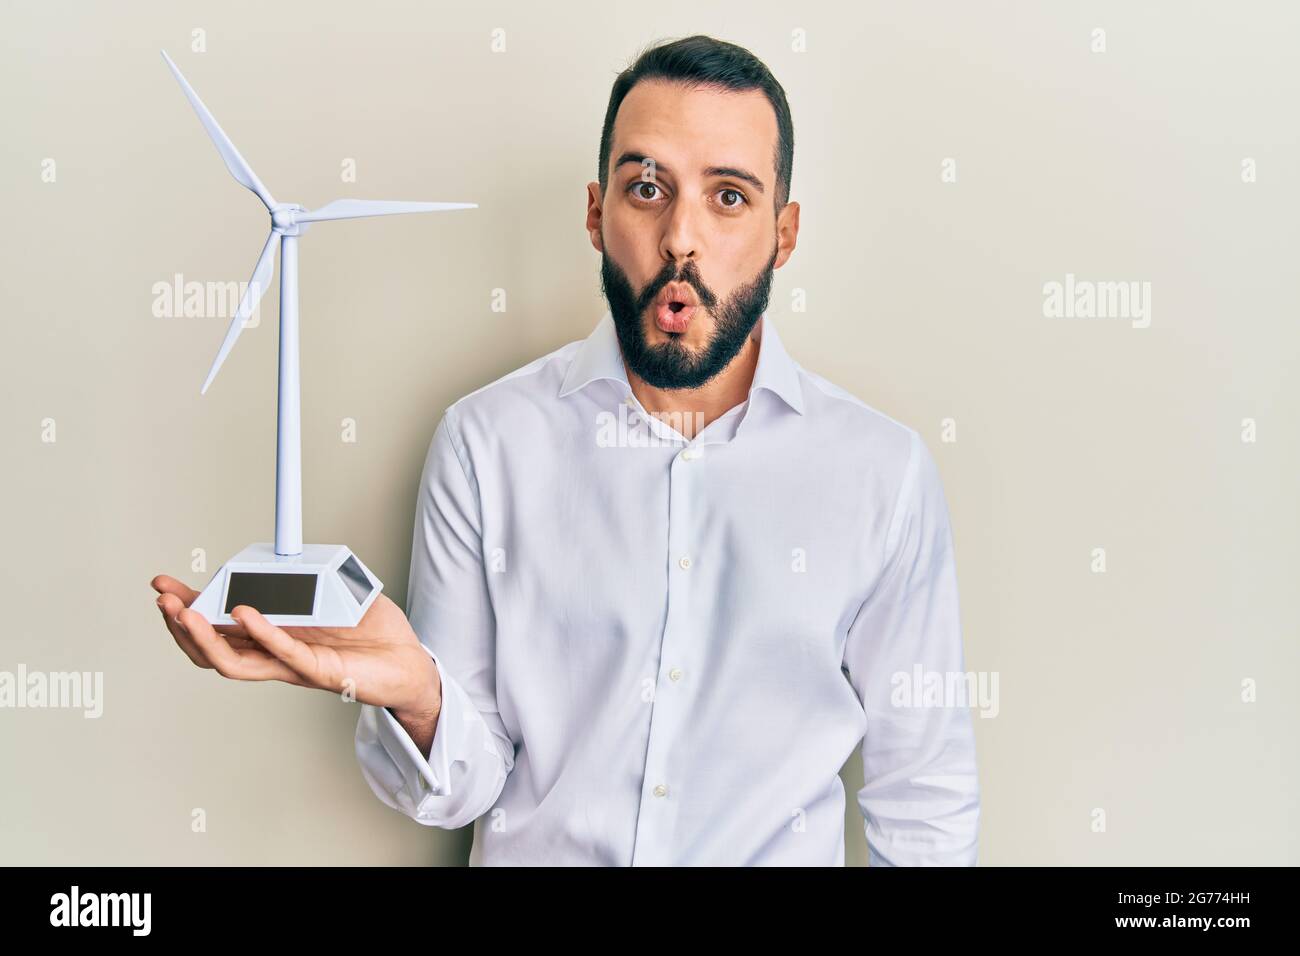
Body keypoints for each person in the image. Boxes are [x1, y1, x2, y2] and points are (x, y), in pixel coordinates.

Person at [151, 34, 980, 866]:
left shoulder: (883, 476)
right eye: (647, 187)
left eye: (729, 196)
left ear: (784, 233)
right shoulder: (486, 443)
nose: (680, 237)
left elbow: (925, 802)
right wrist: (421, 698)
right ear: (596, 213)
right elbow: (460, 789)